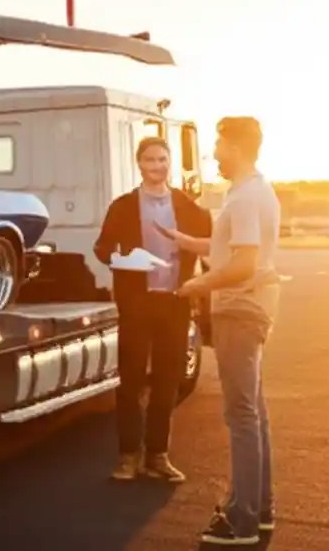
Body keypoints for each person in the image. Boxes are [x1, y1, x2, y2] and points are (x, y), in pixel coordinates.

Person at [158, 116, 281, 546]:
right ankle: (258, 511)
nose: (213, 153)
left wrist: (199, 284)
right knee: (254, 413)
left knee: (241, 416)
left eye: (218, 145)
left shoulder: (246, 197)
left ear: (236, 146)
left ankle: (242, 520)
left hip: (239, 311)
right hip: (251, 308)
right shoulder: (252, 192)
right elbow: (227, 248)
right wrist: (184, 241)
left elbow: (244, 263)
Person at [92, 136, 212, 484]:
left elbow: (208, 251)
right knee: (130, 381)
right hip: (136, 305)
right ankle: (128, 456)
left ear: (169, 163)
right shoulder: (123, 206)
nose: (156, 165)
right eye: (149, 160)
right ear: (139, 164)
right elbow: (102, 251)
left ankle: (158, 455)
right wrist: (124, 261)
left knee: (167, 382)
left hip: (175, 304)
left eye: (162, 159)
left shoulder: (190, 208)